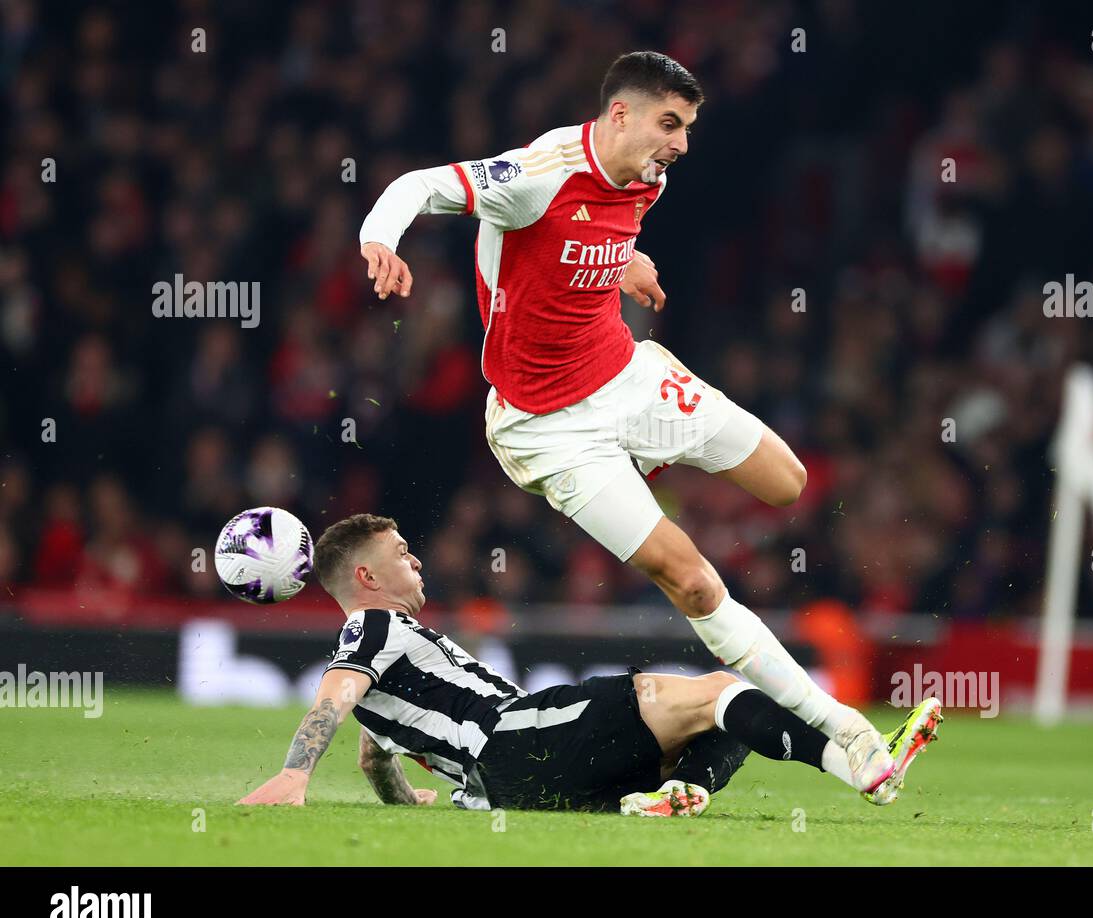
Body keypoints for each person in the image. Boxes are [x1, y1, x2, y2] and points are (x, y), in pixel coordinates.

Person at [357, 50, 923, 802]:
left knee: (787, 482)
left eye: (686, 126)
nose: (681, 142)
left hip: (628, 376)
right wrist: (379, 237)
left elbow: (587, 233)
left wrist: (624, 260)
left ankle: (644, 458)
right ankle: (846, 731)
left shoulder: (647, 177)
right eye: (669, 123)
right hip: (548, 426)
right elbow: (418, 186)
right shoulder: (537, 174)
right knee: (691, 580)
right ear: (619, 114)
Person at [237, 514, 942, 815]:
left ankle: (677, 795)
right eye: (399, 554)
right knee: (723, 688)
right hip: (518, 737)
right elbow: (333, 695)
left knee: (718, 723)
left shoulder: (393, 662)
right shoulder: (373, 625)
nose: (415, 559)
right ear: (365, 578)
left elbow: (373, 759)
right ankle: (863, 769)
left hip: (516, 785)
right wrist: (294, 776)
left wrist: (411, 801)